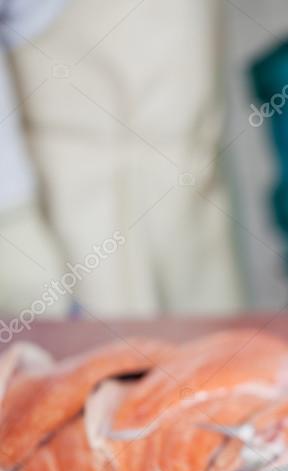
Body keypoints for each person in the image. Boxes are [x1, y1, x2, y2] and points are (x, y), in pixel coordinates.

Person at [0, 0, 243, 322]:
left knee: (226, 358)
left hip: (193, 194)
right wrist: (11, 220)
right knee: (117, 362)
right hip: (88, 218)